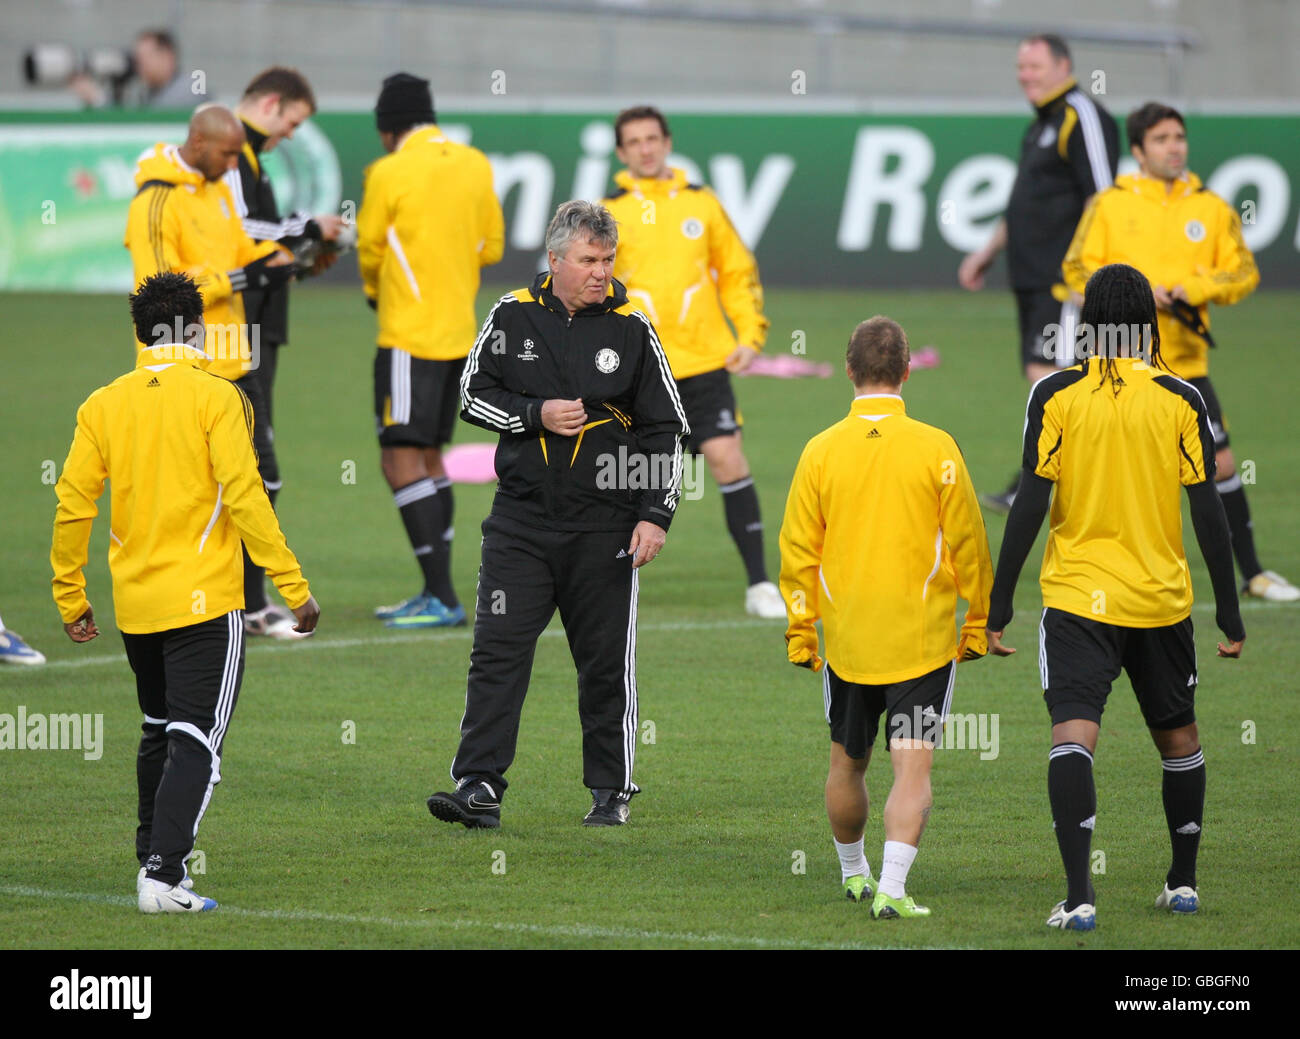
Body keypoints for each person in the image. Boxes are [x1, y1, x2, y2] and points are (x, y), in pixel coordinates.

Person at [50, 272, 320, 913]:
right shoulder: (219, 396)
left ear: (139, 332)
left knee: (156, 729)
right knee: (196, 739)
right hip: (205, 600)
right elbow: (245, 494)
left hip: (135, 605)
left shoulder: (103, 403)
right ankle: (164, 877)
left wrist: (70, 594)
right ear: (198, 328)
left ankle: (150, 860)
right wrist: (292, 586)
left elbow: (72, 503)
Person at [986, 264, 1245, 931]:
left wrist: (999, 599)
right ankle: (1182, 883)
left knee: (1075, 734)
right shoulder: (1181, 397)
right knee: (1179, 735)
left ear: (1088, 321)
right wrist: (1231, 607)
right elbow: (1208, 512)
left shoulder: (1056, 394)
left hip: (1078, 599)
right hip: (1161, 599)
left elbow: (1029, 503)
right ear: (1148, 324)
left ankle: (1079, 896)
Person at [426, 201, 688, 829]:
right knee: (497, 652)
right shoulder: (512, 313)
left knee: (603, 664)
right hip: (520, 523)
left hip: (606, 527)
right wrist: (533, 414)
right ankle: (479, 787)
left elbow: (667, 430)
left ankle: (610, 791)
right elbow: (470, 395)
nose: (601, 272)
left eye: (608, 260)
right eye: (589, 261)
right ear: (556, 260)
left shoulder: (632, 327)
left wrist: (655, 514)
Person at [779, 316, 993, 920]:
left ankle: (854, 876)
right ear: (907, 370)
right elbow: (969, 542)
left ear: (849, 370)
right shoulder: (937, 447)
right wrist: (978, 622)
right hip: (920, 641)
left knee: (847, 762)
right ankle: (894, 888)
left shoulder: (819, 451)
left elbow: (798, 551)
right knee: (912, 763)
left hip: (848, 641)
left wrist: (801, 630)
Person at [1063, 102, 1295, 602]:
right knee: (1111, 469)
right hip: (1118, 362)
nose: (1175, 147)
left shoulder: (1211, 207)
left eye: (1179, 138)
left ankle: (1252, 573)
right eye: (1163, 139)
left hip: (1185, 364)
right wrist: (1135, 294)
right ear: (1139, 151)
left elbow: (1244, 273)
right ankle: (1097, 570)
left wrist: (1196, 287)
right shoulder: (1110, 204)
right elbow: (1076, 270)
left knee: (1222, 465)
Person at [602, 106, 784, 619]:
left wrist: (750, 333)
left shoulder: (703, 204)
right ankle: (610, 583)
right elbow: (590, 287)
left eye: (652, 138)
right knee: (627, 477)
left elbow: (736, 272)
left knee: (727, 460)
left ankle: (759, 584)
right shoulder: (608, 211)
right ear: (621, 152)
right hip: (639, 371)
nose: (645, 148)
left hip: (704, 363)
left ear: (667, 142)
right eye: (634, 141)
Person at [357, 73, 504, 628]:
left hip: (408, 335)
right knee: (429, 458)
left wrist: (380, 291)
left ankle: (441, 596)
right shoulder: (474, 164)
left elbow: (370, 248)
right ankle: (435, 591)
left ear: (388, 129)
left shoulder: (388, 171)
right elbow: (490, 244)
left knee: (398, 459)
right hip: (460, 337)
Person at [957, 33, 1118, 512]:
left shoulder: (1081, 115)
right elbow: (1026, 203)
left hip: (1063, 280)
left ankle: (1050, 482)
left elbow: (1104, 199)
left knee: (1053, 375)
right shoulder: (1041, 126)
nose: (1025, 75)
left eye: (1035, 66)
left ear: (1064, 65)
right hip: (1029, 276)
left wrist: (1089, 272)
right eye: (1021, 67)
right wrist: (986, 251)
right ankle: (1050, 478)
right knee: (1047, 375)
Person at [225, 67, 346, 639]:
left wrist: (297, 259)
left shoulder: (248, 158)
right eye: (293, 121)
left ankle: (242, 600)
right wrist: (309, 226)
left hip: (255, 329)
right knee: (257, 472)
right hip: (234, 337)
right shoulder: (232, 153)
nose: (292, 134)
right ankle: (246, 602)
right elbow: (237, 229)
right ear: (272, 103)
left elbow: (254, 246)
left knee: (252, 471)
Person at [71, 30, 208, 108]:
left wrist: (100, 100)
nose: (138, 66)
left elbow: (153, 121)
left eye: (143, 59)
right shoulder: (146, 91)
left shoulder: (192, 86)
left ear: (167, 56)